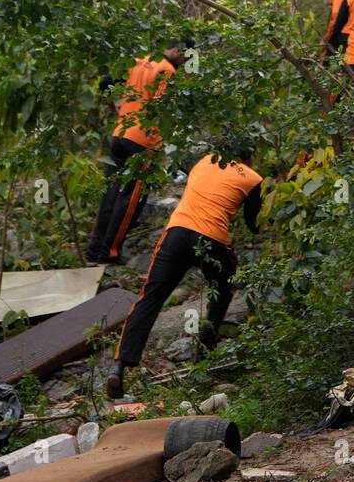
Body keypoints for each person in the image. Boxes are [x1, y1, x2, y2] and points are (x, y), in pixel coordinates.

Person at [107, 147, 263, 398]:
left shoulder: (204, 161)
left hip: (177, 232)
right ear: (250, 157)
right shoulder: (253, 178)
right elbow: (253, 224)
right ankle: (204, 355)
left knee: (151, 297)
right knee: (223, 291)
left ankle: (119, 366)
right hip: (214, 239)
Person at [86, 41, 193, 264]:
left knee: (111, 193)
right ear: (177, 51)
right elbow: (159, 105)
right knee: (130, 201)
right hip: (143, 142)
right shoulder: (166, 71)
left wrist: (118, 108)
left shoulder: (139, 60)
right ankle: (110, 252)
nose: (184, 63)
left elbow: (106, 82)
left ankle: (94, 250)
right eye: (184, 58)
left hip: (120, 134)